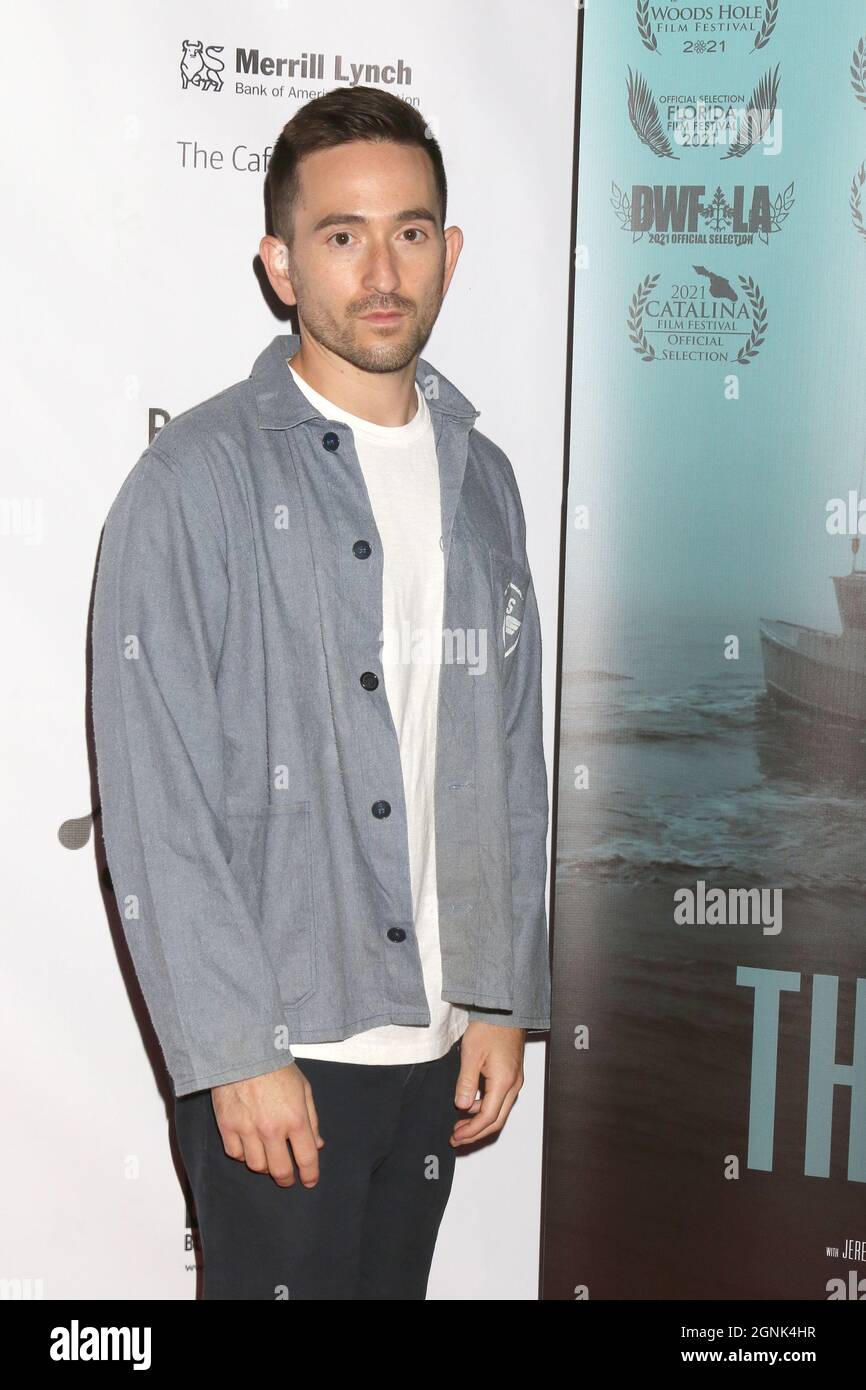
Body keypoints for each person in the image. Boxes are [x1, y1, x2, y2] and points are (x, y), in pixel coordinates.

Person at [91, 84, 551, 1301]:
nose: (380, 268)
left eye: (409, 231)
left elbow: (508, 753)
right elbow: (157, 796)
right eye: (340, 236)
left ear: (448, 252)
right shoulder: (193, 480)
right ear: (280, 265)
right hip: (286, 1040)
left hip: (440, 1039)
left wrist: (500, 995)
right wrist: (234, 1049)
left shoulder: (483, 481)